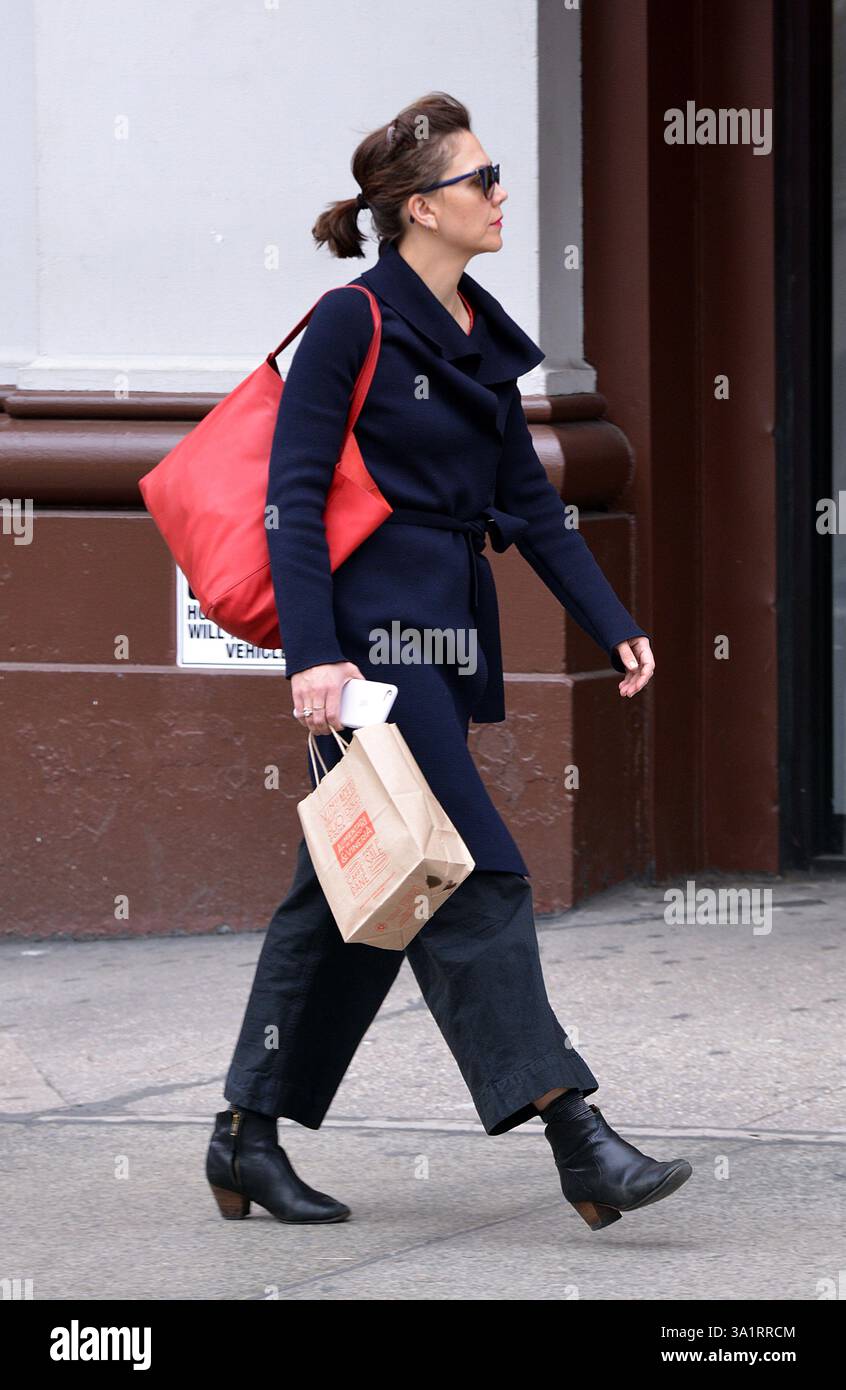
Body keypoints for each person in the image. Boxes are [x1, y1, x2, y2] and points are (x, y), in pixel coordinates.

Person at [206, 92, 692, 1234]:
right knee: (471, 868)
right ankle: (577, 1137)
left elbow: (529, 501)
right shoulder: (353, 320)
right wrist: (314, 657)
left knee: (353, 897)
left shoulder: (477, 331)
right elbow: (292, 497)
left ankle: (244, 1137)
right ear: (422, 207)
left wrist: (609, 619)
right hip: (370, 646)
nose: (501, 193)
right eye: (482, 178)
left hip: (444, 635)